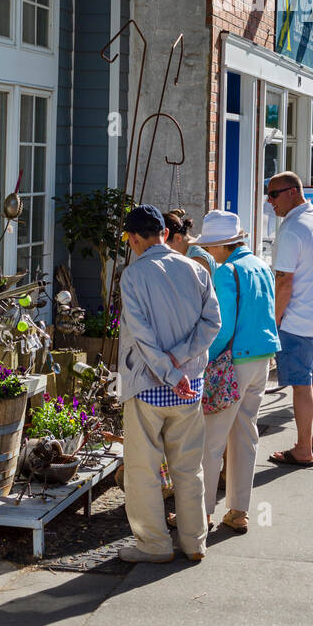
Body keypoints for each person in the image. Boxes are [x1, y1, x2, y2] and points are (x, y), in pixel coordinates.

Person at [114, 204, 221, 564]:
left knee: (143, 471)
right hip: (190, 385)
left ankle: (154, 545)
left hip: (150, 385)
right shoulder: (196, 268)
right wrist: (181, 358)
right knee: (189, 467)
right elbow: (212, 324)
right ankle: (194, 542)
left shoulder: (134, 276)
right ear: (163, 231)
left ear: (134, 238)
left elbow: (143, 338)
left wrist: (169, 368)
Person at [195, 210, 280, 532]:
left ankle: (200, 513)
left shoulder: (226, 271)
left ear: (220, 244)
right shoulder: (259, 265)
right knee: (246, 435)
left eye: (209, 246)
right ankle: (238, 511)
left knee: (211, 441)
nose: (207, 251)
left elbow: (221, 324)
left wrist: (203, 358)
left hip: (233, 360)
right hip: (262, 356)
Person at [265, 171, 313, 466]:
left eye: (274, 195)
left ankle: (303, 449)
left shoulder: (292, 229)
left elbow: (283, 282)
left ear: (293, 192)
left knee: (301, 385)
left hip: (297, 319)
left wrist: (273, 321)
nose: (270, 203)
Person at [164, 208, 217, 278]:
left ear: (178, 238)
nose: (163, 250)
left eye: (164, 245)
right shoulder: (190, 251)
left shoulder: (197, 261)